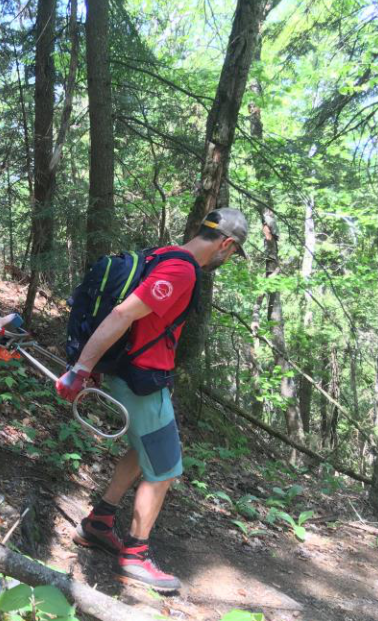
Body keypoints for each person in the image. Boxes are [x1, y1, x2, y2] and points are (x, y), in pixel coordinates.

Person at [55, 208, 249, 591]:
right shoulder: (182, 270)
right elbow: (123, 314)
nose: (228, 259)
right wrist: (81, 368)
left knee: (144, 453)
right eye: (233, 252)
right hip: (141, 381)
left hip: (136, 375)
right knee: (165, 472)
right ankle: (136, 556)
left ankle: (99, 523)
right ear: (226, 244)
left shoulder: (163, 254)